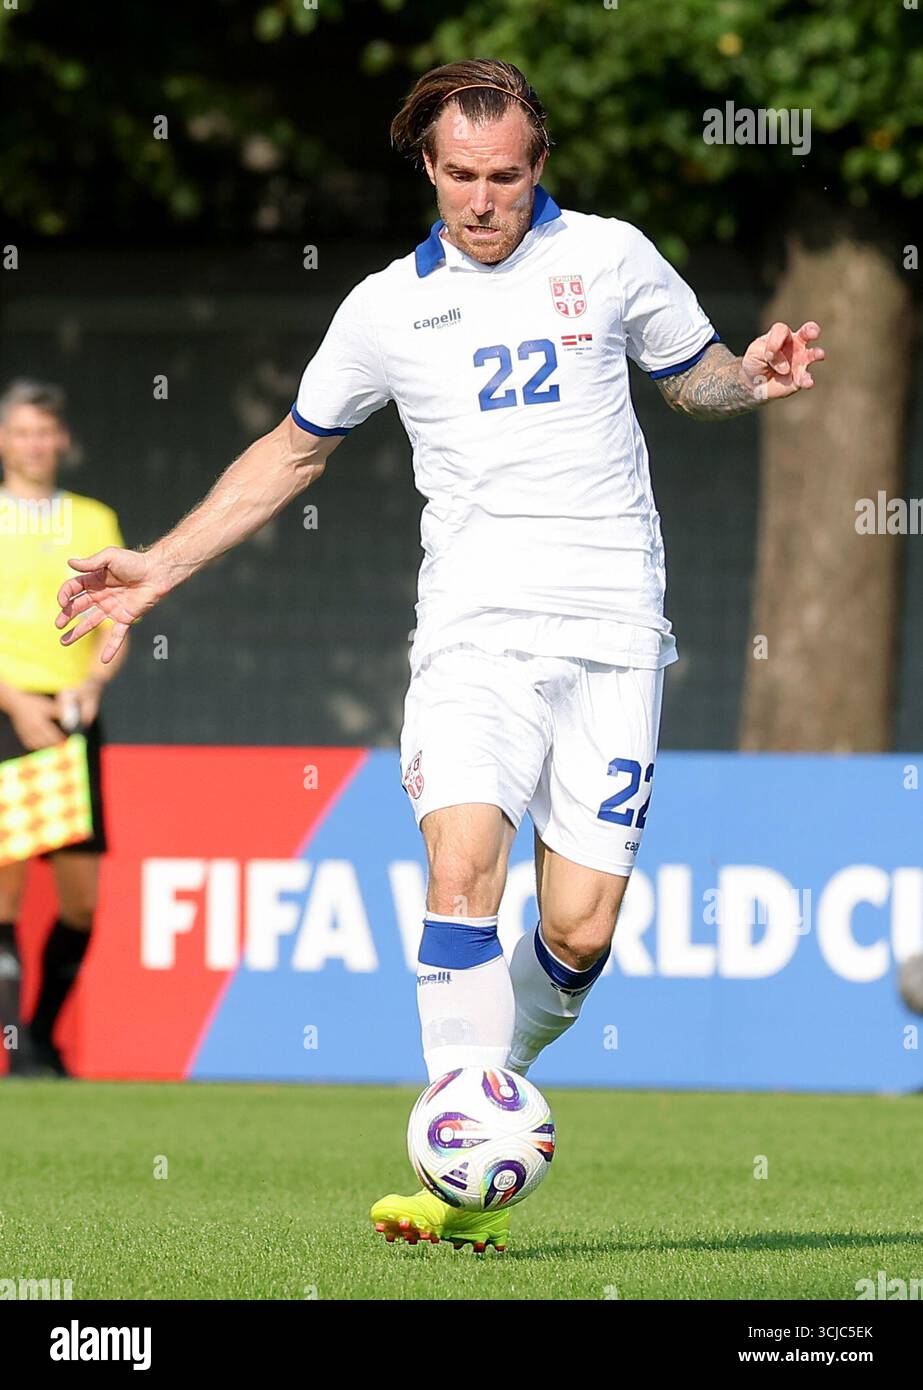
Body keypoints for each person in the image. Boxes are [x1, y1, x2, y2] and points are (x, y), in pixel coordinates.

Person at [54, 60, 824, 1246]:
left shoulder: (610, 257)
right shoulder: (382, 310)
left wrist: (751, 379)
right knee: (462, 863)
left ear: (539, 166)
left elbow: (693, 380)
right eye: (459, 176)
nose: (481, 200)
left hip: (616, 631)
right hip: (472, 634)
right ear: (428, 168)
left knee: (575, 932)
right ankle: (457, 1142)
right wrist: (158, 562)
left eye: (505, 176)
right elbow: (291, 450)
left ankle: (489, 1083)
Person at [0, 380, 128, 1077]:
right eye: (23, 432)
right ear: (4, 441)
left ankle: (45, 1034)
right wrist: (16, 702)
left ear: (62, 440)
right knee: (6, 888)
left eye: (46, 432)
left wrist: (93, 681)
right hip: (7, 709)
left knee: (81, 898)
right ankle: (16, 1052)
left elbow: (116, 616)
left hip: (72, 713)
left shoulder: (91, 519)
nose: (35, 444)